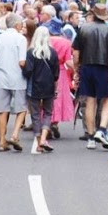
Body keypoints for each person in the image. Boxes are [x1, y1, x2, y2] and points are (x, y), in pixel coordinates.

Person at [75, 4, 108, 150]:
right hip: (104, 68)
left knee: (90, 100)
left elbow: (75, 54)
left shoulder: (83, 29)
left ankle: (90, 137)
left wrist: (77, 70)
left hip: (87, 67)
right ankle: (101, 130)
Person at [0, 14, 30, 152]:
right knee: (22, 108)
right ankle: (15, 134)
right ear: (17, 25)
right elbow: (22, 61)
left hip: (0, 78)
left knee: (1, 110)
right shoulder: (21, 39)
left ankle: (1, 141)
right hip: (17, 77)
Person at [24, 26, 60, 155]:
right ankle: (44, 138)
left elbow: (27, 71)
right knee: (48, 113)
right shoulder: (53, 52)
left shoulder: (31, 52)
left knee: (35, 114)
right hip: (49, 86)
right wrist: (56, 88)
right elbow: (56, 74)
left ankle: (39, 141)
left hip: (33, 86)